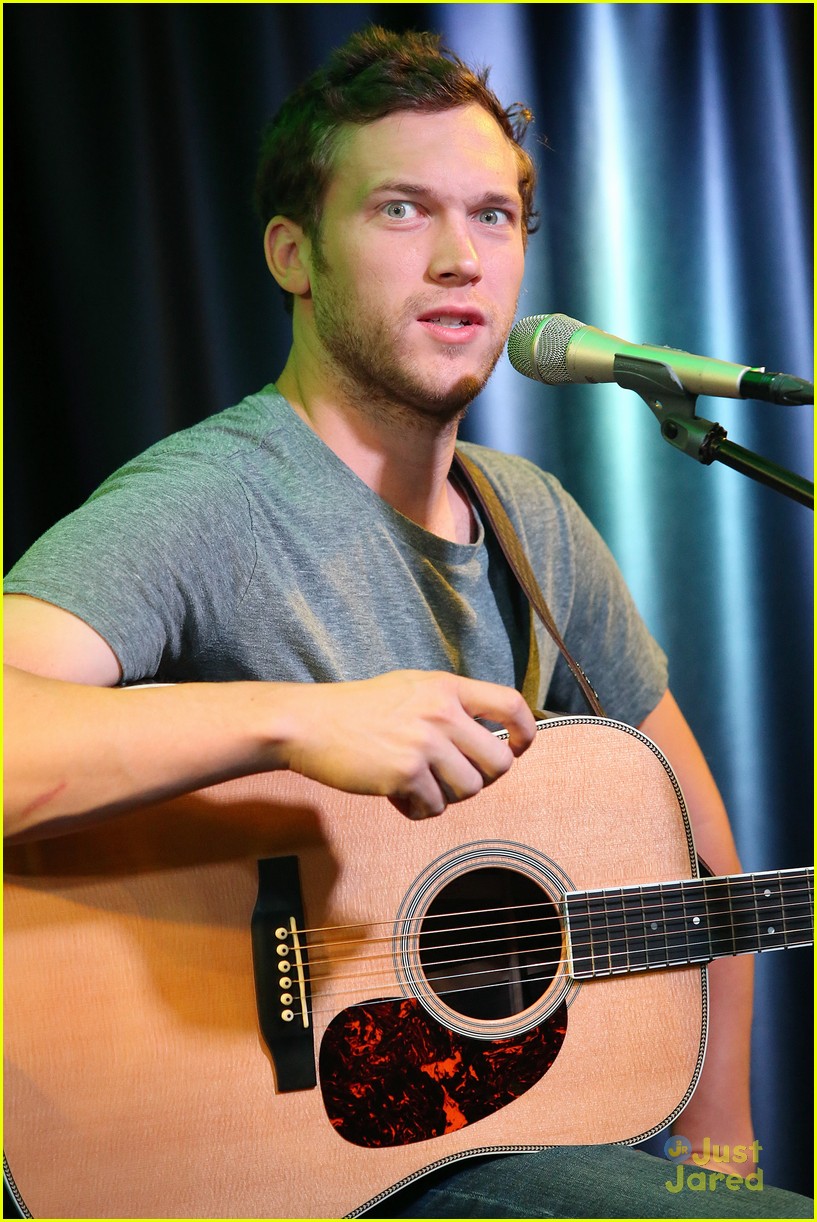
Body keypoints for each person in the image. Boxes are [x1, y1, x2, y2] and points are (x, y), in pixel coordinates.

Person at [3, 25, 810, 1219]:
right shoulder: (208, 503)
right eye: (399, 211)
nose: (458, 259)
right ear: (294, 254)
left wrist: (724, 1154)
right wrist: (299, 723)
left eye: (493, 217)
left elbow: (702, 861)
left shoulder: (531, 519)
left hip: (481, 1128)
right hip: (267, 1159)